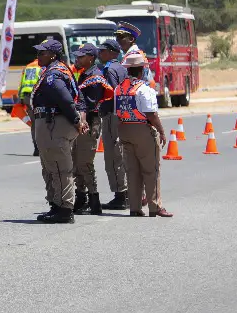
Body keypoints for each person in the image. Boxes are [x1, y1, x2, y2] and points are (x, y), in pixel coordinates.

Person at [31, 37, 86, 224]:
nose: (38, 55)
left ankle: (65, 209)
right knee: (51, 167)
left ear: (53, 55)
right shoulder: (54, 71)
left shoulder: (54, 75)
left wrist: (76, 119)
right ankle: (56, 205)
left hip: (55, 124)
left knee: (59, 168)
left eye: (42, 52)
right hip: (50, 124)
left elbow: (65, 99)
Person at [114, 52, 171, 218]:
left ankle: (135, 207)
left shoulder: (119, 89)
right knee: (150, 170)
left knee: (132, 171)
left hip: (124, 128)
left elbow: (117, 112)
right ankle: (155, 207)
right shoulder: (144, 89)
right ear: (141, 70)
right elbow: (151, 114)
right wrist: (161, 131)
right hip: (142, 130)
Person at [71, 43, 112, 216]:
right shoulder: (85, 74)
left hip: (89, 122)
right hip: (82, 122)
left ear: (91, 58)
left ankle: (93, 199)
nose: (77, 59)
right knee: (76, 161)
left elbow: (88, 103)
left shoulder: (94, 77)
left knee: (84, 162)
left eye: (81, 57)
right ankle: (81, 197)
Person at [97, 41, 130, 211]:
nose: (100, 54)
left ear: (111, 52)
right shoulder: (123, 68)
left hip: (112, 116)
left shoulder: (109, 70)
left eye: (102, 51)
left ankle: (120, 196)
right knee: (123, 155)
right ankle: (128, 193)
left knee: (113, 156)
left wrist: (102, 108)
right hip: (124, 115)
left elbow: (111, 95)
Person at [18, 56, 42, 157]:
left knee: (34, 123)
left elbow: (22, 82)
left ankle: (36, 148)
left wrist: (21, 97)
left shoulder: (28, 66)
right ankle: (42, 147)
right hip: (37, 96)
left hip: (27, 96)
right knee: (41, 122)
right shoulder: (42, 67)